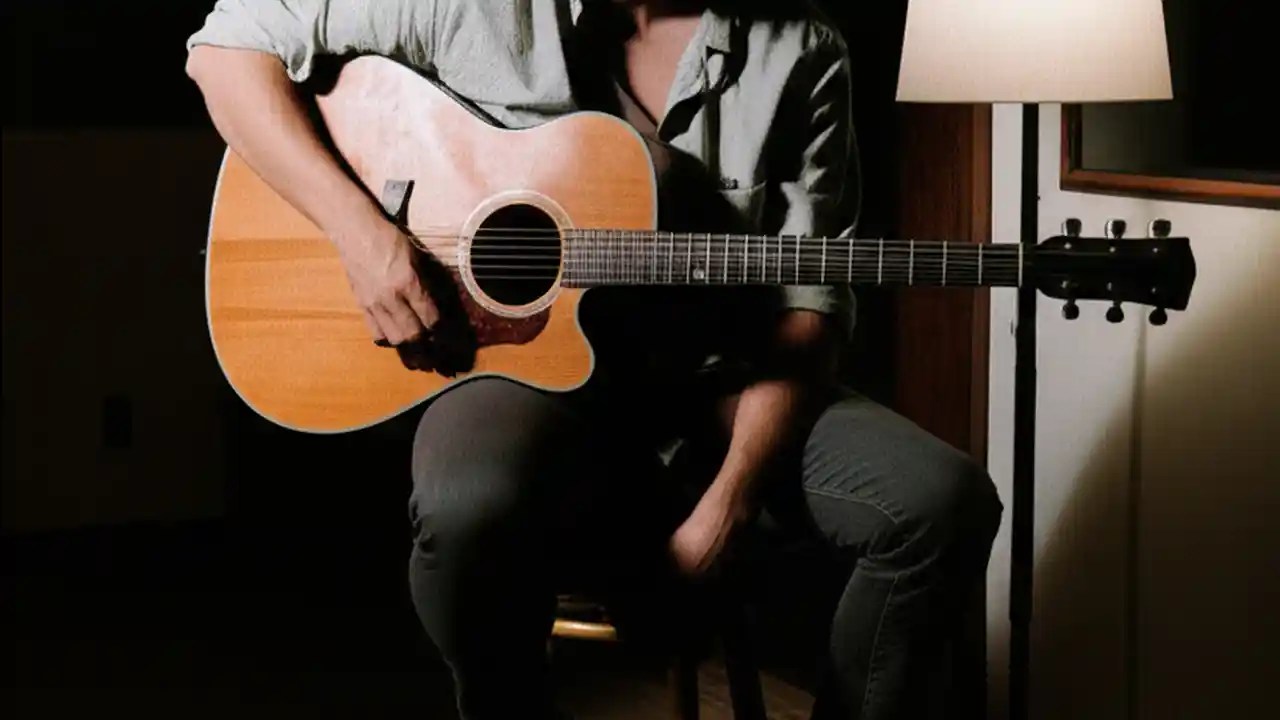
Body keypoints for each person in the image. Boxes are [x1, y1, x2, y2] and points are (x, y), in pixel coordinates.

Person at [185, 1, 1003, 718]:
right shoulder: (468, 5)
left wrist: (724, 511)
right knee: (466, 507)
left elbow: (806, 312)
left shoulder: (801, 48)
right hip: (528, 382)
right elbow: (224, 50)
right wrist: (362, 236)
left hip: (719, 390)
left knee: (939, 500)